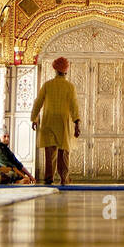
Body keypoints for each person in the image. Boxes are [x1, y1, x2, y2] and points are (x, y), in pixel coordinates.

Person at [30, 57, 81, 185]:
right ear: (66, 71)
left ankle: (49, 178)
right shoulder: (70, 86)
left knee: (50, 152)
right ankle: (64, 179)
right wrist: (77, 123)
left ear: (55, 70)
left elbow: (38, 102)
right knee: (64, 151)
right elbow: (74, 105)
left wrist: (34, 118)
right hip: (63, 121)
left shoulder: (47, 85)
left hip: (49, 120)